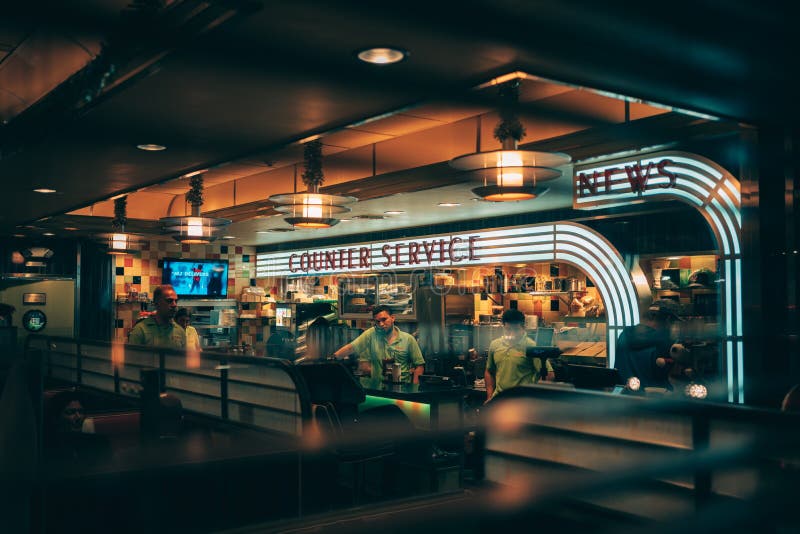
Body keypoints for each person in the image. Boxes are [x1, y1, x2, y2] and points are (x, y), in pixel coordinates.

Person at [333, 305, 425, 384]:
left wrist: (414, 387)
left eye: (384, 319)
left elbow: (419, 366)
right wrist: (332, 358)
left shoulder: (408, 339)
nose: (381, 324)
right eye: (377, 321)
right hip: (379, 389)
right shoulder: (371, 334)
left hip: (403, 389)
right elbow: (351, 348)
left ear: (392, 318)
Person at [485, 309, 554, 402]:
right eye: (508, 330)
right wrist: (489, 396)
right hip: (499, 400)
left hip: (522, 403)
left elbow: (549, 375)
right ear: (503, 327)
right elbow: (489, 371)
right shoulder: (495, 345)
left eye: (516, 329)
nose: (512, 334)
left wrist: (534, 397)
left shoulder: (531, 346)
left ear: (523, 328)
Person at [615, 299, 681, 390]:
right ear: (668, 320)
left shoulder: (624, 334)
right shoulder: (666, 341)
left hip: (625, 394)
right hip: (654, 399)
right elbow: (665, 375)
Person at [43, 390, 111, 462]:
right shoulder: (48, 446)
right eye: (70, 412)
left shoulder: (98, 442)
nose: (78, 417)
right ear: (56, 417)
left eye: (81, 412)